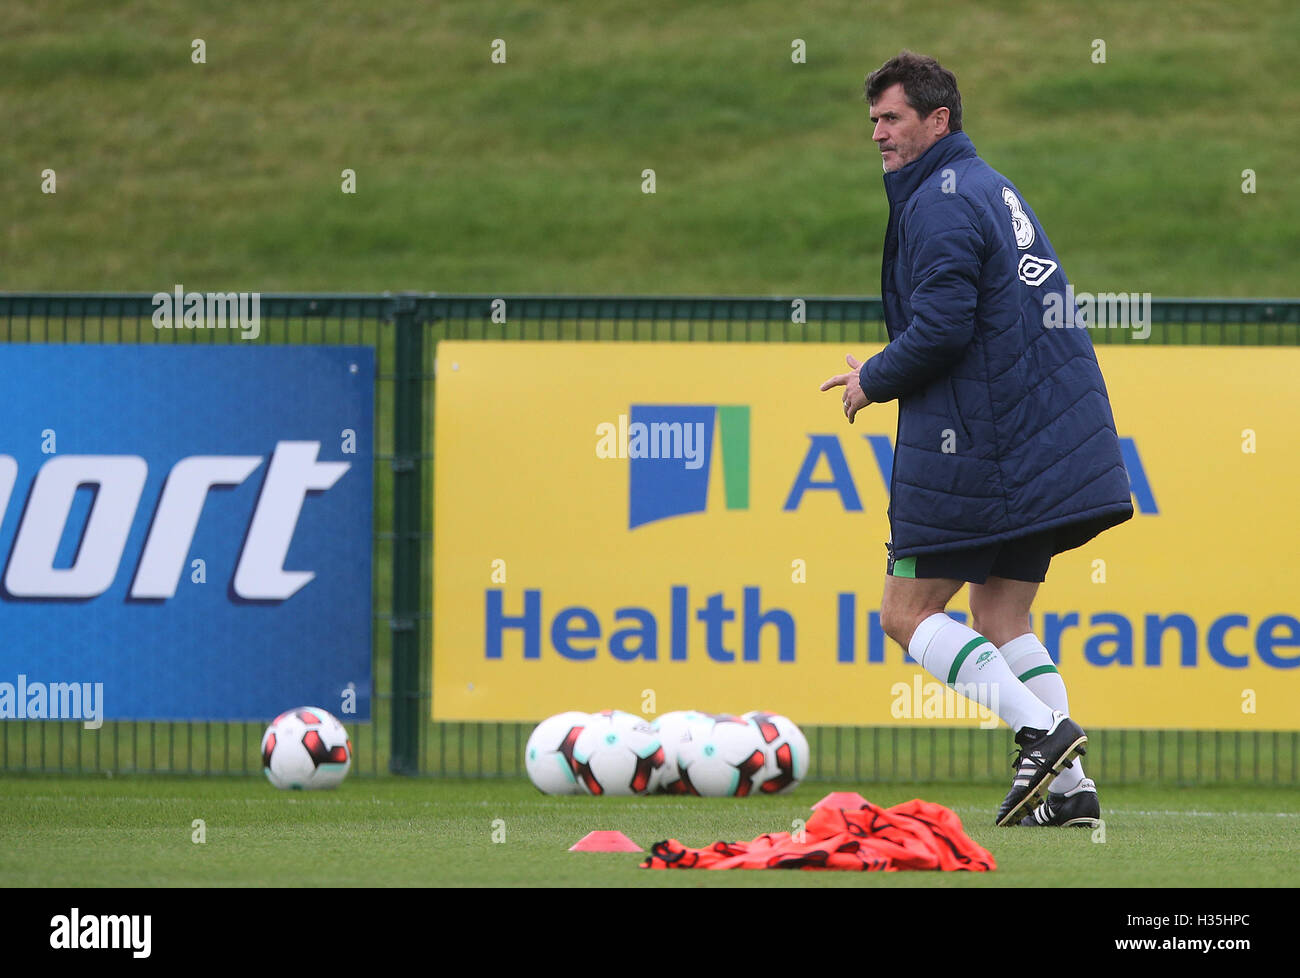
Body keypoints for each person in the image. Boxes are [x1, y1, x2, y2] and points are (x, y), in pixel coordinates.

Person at [820, 51, 1134, 827]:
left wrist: (874, 378)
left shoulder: (940, 199)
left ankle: (1041, 731)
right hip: (1041, 434)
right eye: (873, 121)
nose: (877, 135)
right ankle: (1070, 791)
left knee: (904, 612)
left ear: (938, 120)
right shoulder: (985, 184)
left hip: (982, 444)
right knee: (1003, 619)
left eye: (891, 119)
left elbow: (943, 328)